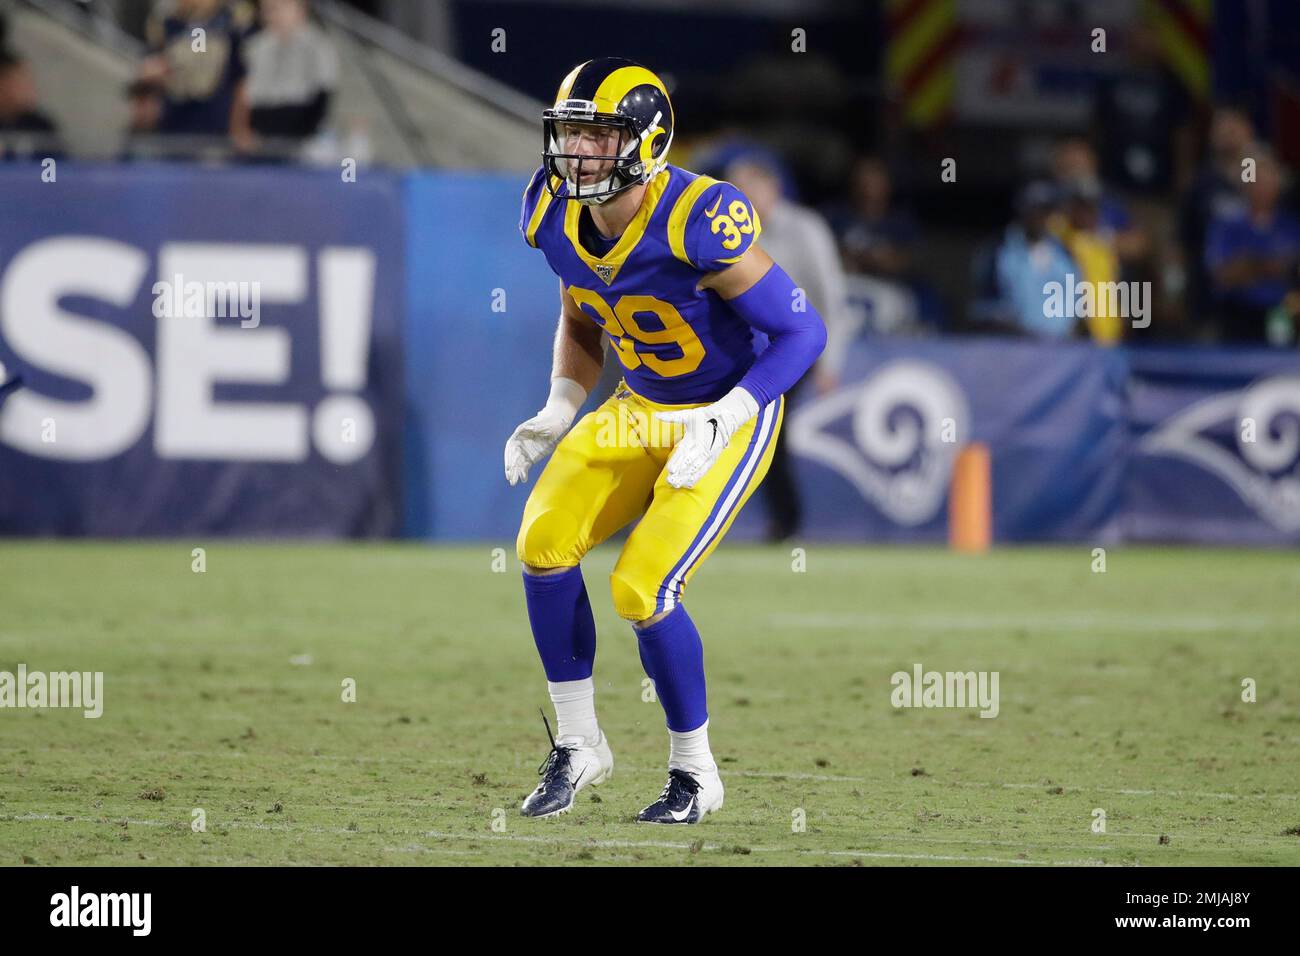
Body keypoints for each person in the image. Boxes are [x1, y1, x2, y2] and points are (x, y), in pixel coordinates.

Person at [504, 59, 826, 824]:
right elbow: (584, 313)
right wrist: (560, 401)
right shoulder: (550, 210)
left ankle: (695, 772)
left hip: (724, 410)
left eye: (597, 135)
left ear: (646, 141)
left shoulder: (697, 217)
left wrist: (730, 415)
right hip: (638, 402)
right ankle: (580, 743)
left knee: (641, 588)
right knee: (543, 543)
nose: (577, 151)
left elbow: (801, 329)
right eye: (570, 132)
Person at [725, 153, 851, 540]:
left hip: (796, 344)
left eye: (749, 188)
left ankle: (785, 522)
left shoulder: (805, 228)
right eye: (737, 190)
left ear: (772, 189)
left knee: (768, 428)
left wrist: (830, 362)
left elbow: (831, 296)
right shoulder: (730, 230)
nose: (742, 197)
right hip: (747, 347)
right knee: (750, 428)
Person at [1205, 150, 1300, 343]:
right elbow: (1221, 274)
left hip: (1283, 315)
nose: (1262, 187)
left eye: (1268, 180)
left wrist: (1250, 265)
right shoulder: (1228, 225)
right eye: (1257, 181)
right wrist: (1268, 266)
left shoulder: (1291, 226)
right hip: (1238, 315)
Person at [139, 0, 257, 145]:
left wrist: (239, 125)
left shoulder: (234, 20)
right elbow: (147, 68)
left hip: (216, 125)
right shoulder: (166, 20)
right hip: (173, 123)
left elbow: (242, 79)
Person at [239, 0, 337, 150]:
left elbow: (322, 99)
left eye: (277, 8)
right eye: (266, 10)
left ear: (300, 10)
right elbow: (245, 97)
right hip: (259, 136)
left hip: (304, 137)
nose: (270, 15)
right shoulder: (255, 46)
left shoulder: (320, 47)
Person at [0, 49, 62, 160]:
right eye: (19, 81)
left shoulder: (40, 125)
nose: (29, 87)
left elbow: (59, 168)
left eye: (28, 80)